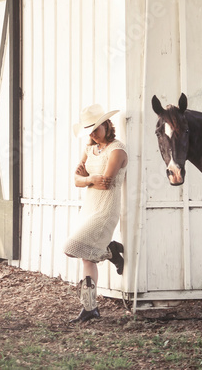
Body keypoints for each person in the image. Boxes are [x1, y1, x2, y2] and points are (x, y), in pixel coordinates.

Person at [62, 103, 128, 323]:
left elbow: (106, 184)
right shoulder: (89, 149)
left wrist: (87, 179)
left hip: (105, 209)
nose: (92, 134)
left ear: (107, 125)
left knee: (72, 247)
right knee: (86, 258)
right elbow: (76, 179)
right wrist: (89, 179)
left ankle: (108, 250)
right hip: (89, 206)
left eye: (96, 129)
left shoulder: (116, 149)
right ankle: (90, 308)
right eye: (89, 130)